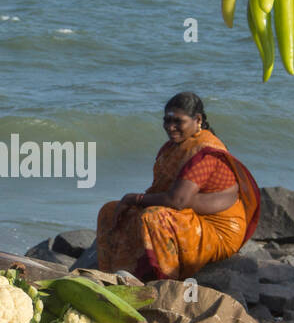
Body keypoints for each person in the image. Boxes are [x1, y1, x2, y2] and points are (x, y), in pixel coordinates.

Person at [96, 92, 261, 280]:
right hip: (188, 215)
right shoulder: (175, 147)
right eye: (166, 120)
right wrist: (131, 203)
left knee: (153, 218)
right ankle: (110, 277)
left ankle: (165, 281)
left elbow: (177, 200)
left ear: (197, 119)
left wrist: (133, 198)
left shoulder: (205, 153)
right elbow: (165, 194)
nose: (170, 127)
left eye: (178, 121)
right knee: (110, 210)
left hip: (216, 229)